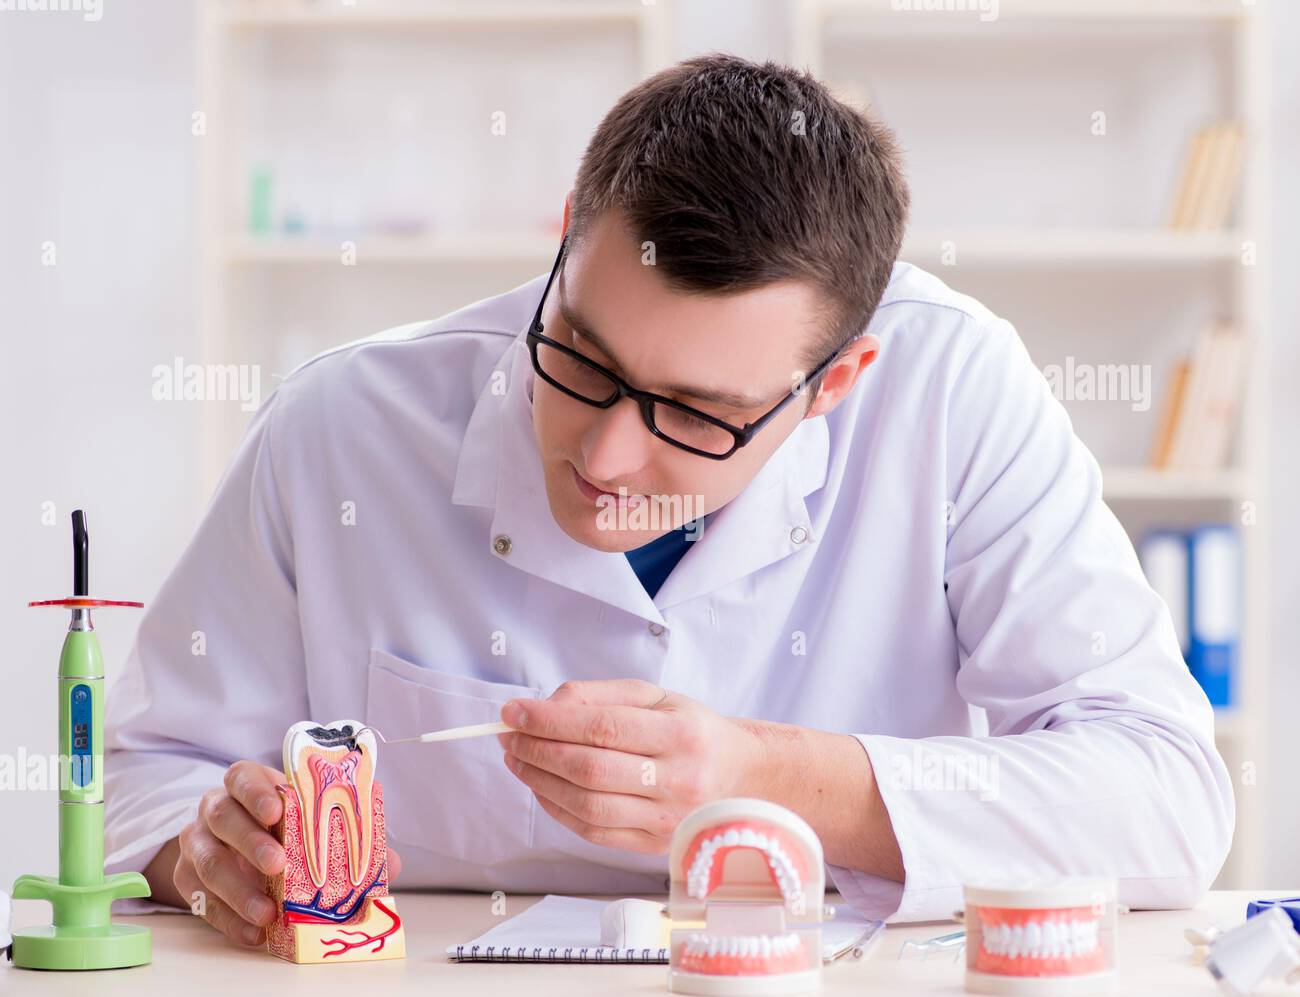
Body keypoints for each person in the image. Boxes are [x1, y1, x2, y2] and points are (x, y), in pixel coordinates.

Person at [103, 54, 1232, 948]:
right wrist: (205, 860)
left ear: (835, 384)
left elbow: (1167, 798)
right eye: (581, 357)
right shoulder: (339, 426)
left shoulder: (954, 392)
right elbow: (144, 778)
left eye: (696, 413)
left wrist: (763, 777)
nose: (605, 454)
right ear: (565, 239)